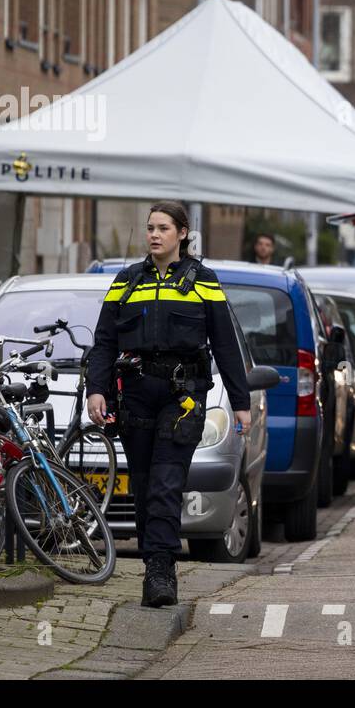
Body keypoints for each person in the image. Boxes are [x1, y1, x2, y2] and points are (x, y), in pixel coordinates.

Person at [86, 200, 252, 608]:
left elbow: (226, 345)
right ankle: (153, 561)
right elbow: (105, 341)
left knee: (165, 482)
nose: (154, 235)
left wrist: (240, 401)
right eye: (149, 228)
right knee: (144, 485)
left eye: (162, 228)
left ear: (182, 233)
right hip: (136, 395)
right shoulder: (127, 281)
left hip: (182, 397)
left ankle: (162, 571)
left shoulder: (204, 281)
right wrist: (97, 389)